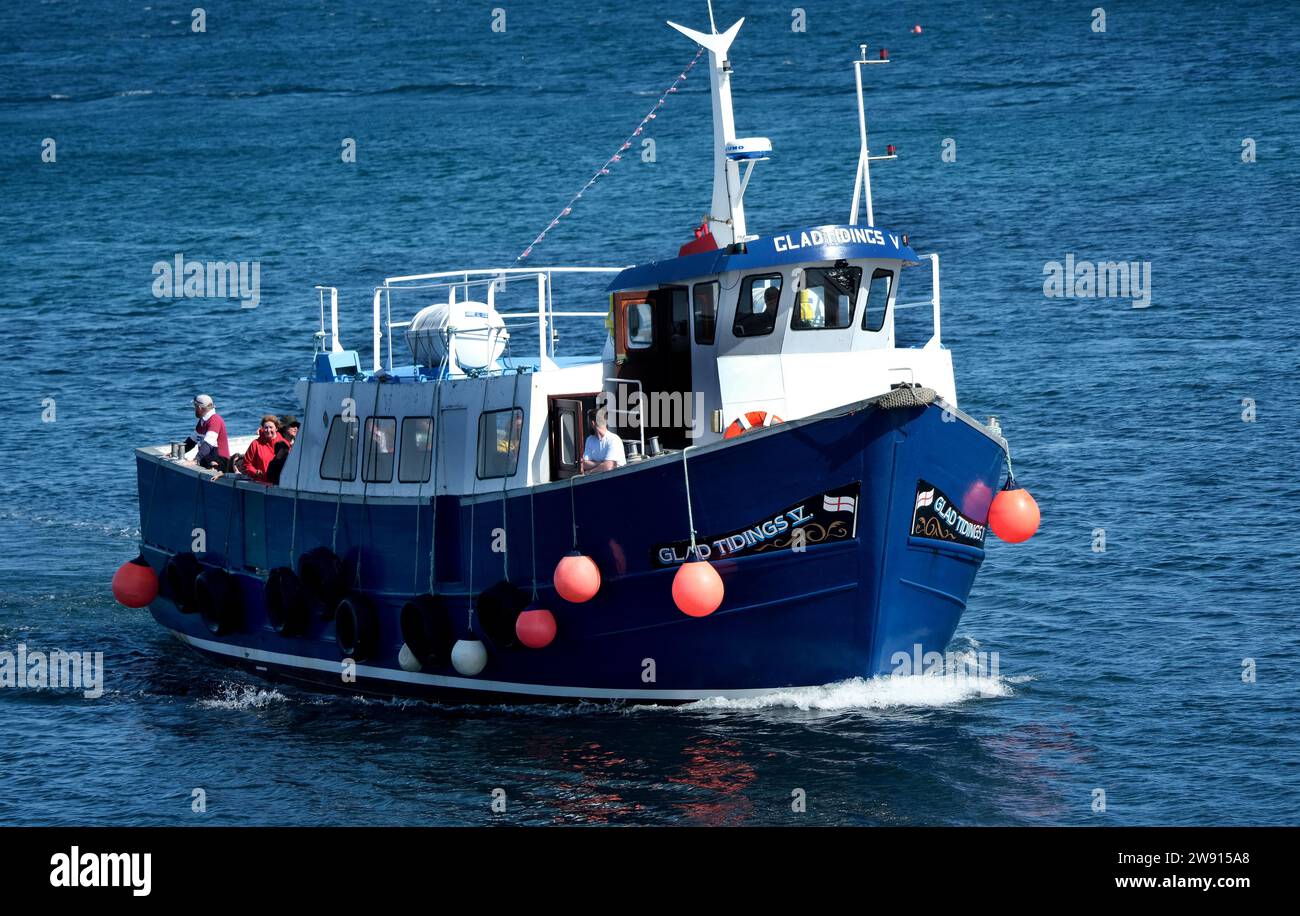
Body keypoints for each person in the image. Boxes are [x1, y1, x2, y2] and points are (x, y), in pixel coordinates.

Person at [186, 394, 230, 471]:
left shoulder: (215, 420)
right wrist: (176, 451)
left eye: (195, 407)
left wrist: (196, 460)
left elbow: (208, 444)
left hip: (219, 463)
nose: (194, 409)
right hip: (207, 460)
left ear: (199, 408)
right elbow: (192, 441)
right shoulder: (203, 421)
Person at [242, 415, 286, 484]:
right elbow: (246, 464)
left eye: (271, 427)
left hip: (280, 484)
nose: (268, 430)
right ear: (262, 428)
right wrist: (255, 472)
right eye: (266, 428)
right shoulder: (256, 444)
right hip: (261, 483)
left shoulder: (284, 444)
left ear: (276, 428)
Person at [581, 409, 625, 474]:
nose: (587, 425)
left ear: (592, 424)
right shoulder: (589, 440)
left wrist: (589, 472)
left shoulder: (613, 439)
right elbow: (584, 464)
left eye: (588, 423)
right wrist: (603, 463)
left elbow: (608, 467)